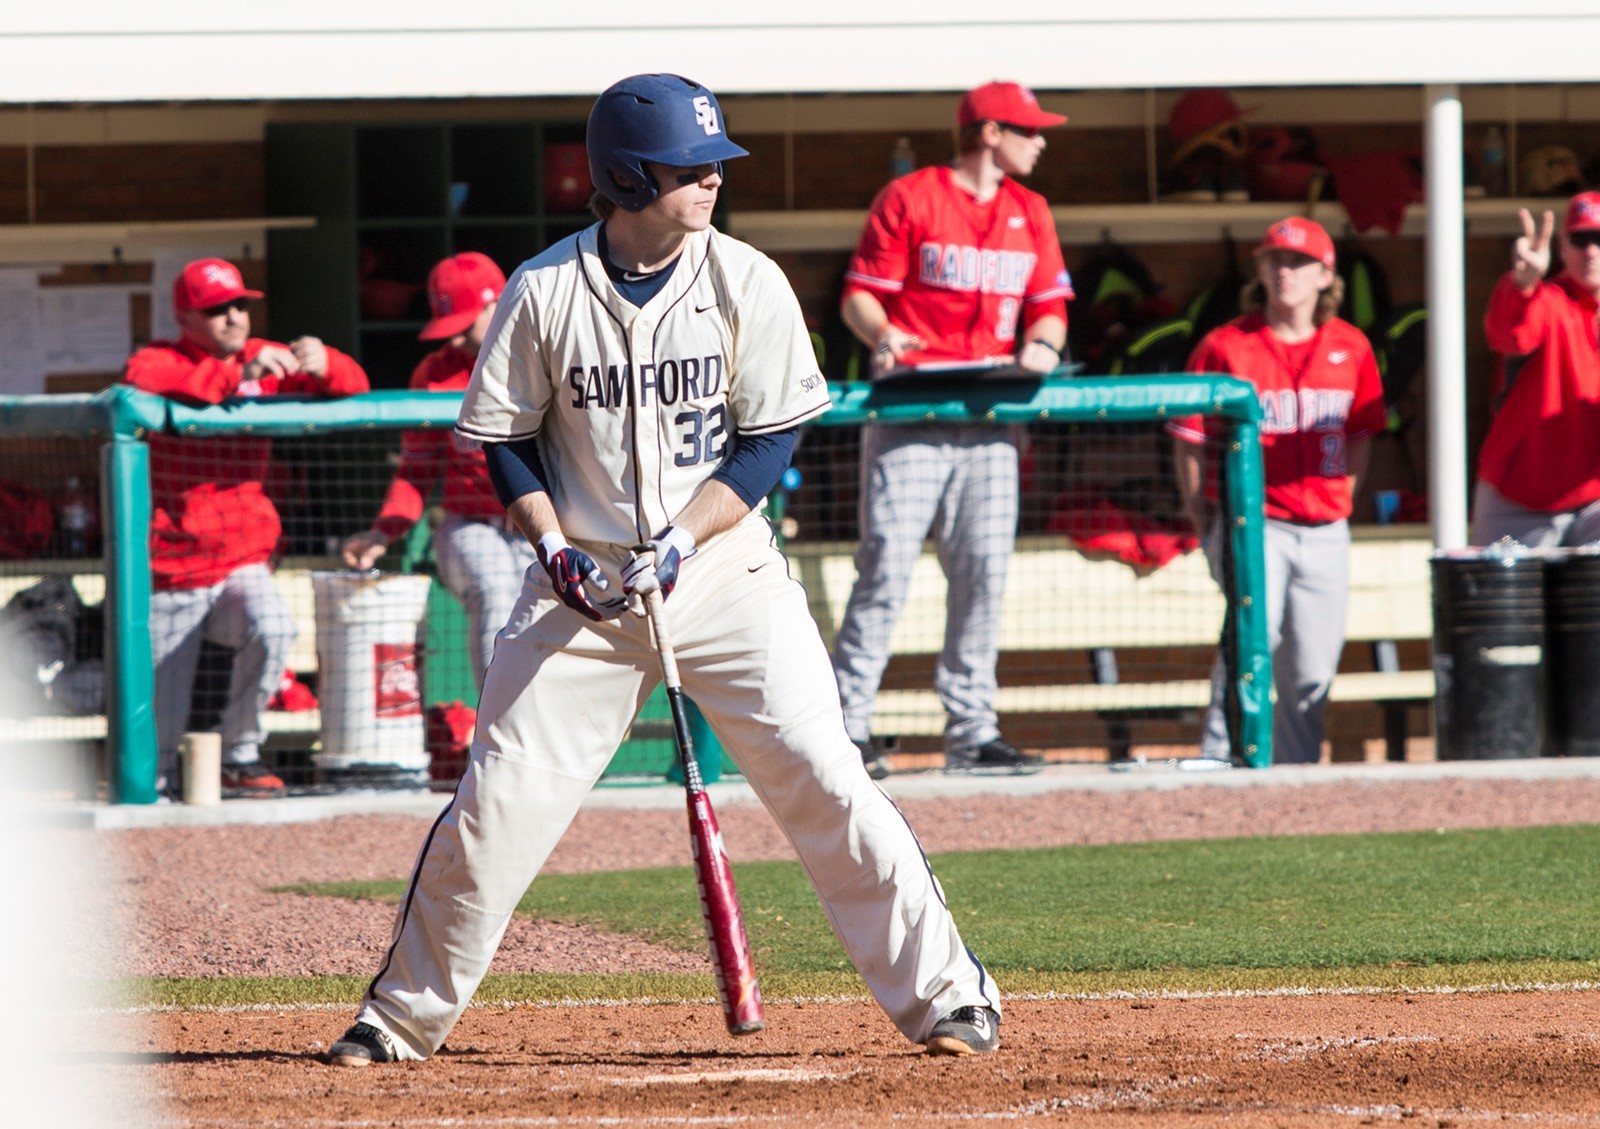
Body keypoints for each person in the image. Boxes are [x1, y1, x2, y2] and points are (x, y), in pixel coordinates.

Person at [326, 73, 1003, 1067]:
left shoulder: (745, 281)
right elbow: (504, 442)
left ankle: (948, 996)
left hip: (723, 575)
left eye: (712, 164)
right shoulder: (545, 289)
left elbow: (767, 440)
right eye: (690, 167)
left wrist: (685, 537)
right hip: (586, 591)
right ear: (627, 173)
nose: (711, 181)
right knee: (496, 802)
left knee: (826, 776)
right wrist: (551, 546)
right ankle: (400, 1016)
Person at [829, 81, 1071, 777]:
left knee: (984, 574)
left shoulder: (1032, 208)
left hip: (991, 413)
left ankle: (972, 730)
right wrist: (886, 335)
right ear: (989, 132)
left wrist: (1046, 347)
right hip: (912, 411)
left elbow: (1050, 304)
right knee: (885, 570)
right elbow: (860, 298)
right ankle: (847, 726)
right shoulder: (910, 197)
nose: (1041, 139)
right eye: (1029, 129)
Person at [124, 257, 370, 797]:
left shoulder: (262, 355)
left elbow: (354, 385)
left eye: (240, 305)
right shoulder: (159, 357)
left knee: (276, 627)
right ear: (186, 317)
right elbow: (143, 382)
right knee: (160, 733)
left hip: (241, 559)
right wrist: (238, 375)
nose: (234, 317)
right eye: (216, 310)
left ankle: (238, 752)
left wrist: (324, 362)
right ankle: (157, 789)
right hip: (173, 564)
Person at [1170, 217, 1386, 765]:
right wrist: (1209, 525)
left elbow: (1361, 437)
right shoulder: (1225, 346)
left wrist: (1343, 500)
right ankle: (1219, 765)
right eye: (1273, 260)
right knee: (1247, 647)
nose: (1283, 271)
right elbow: (1190, 445)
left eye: (1296, 262)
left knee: (1312, 672)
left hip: (1325, 529)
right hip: (1254, 527)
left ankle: (1293, 782)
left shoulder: (1352, 347)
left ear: (1324, 274)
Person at [340, 251, 529, 696]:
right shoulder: (435, 372)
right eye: (451, 328)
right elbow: (416, 470)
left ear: (497, 303)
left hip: (542, 524)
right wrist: (384, 532)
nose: (458, 340)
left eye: (466, 325)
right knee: (494, 585)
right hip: (470, 523)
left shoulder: (540, 352)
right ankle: (496, 723)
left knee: (553, 618)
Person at [1475, 193, 1600, 547]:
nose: (1590, 251)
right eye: (1580, 239)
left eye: (1599, 240)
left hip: (1594, 499)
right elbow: (1509, 334)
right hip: (1520, 495)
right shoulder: (1547, 299)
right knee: (1506, 604)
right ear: (1563, 247)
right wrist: (1523, 282)